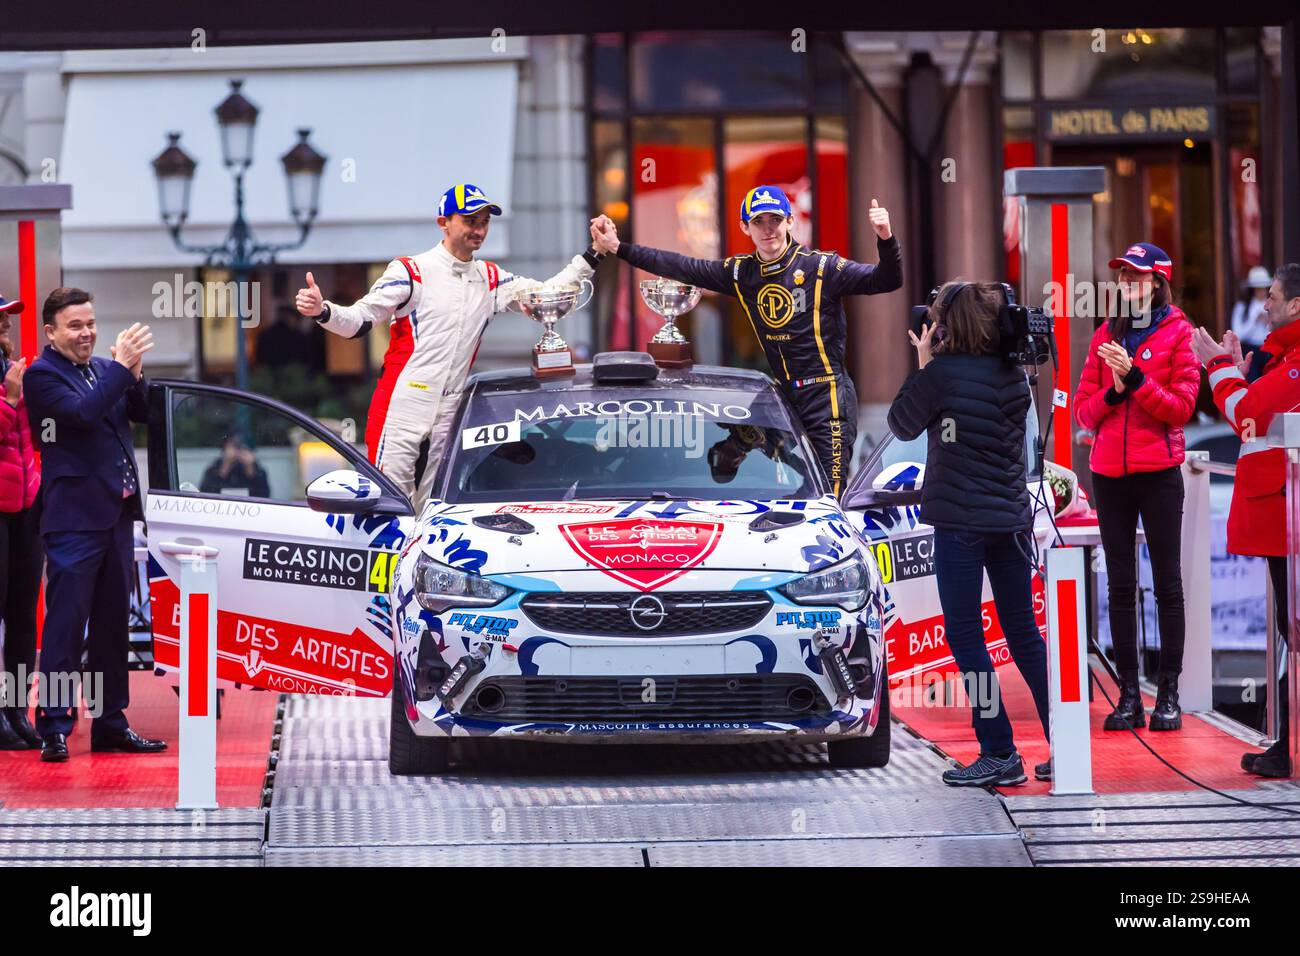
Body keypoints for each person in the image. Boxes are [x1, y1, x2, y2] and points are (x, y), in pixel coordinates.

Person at [296, 183, 606, 508]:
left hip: (452, 409)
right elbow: (359, 320)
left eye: (484, 222)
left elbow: (545, 298)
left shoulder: (490, 277)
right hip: (403, 405)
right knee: (389, 507)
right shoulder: (411, 270)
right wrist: (324, 311)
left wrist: (592, 255)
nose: (479, 229)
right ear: (443, 222)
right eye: (470, 220)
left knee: (435, 510)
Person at [590, 186, 903, 497]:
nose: (768, 230)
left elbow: (887, 279)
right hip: (783, 396)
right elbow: (682, 266)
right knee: (724, 460)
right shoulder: (741, 272)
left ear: (790, 222)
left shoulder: (821, 267)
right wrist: (619, 247)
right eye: (758, 222)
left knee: (826, 498)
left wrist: (885, 238)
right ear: (745, 227)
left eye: (775, 220)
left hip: (827, 397)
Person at [887, 281, 1050, 786]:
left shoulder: (940, 375)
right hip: (1009, 520)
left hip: (960, 525)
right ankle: (1066, 740)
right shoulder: (1013, 374)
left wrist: (923, 362)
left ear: (945, 327)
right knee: (1024, 634)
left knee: (965, 636)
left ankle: (999, 750)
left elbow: (901, 424)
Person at [23, 288, 167, 762]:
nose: (86, 333)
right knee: (66, 625)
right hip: (73, 520)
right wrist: (122, 371)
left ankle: (110, 722)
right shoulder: (43, 376)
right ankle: (56, 726)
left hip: (118, 517)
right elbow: (82, 416)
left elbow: (143, 414)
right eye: (74, 326)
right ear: (52, 332)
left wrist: (136, 375)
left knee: (112, 627)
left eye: (90, 323)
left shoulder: (108, 371)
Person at [1073, 242, 1201, 734]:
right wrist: (1116, 387)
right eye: (1123, 276)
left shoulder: (1179, 333)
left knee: (1168, 585)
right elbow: (1085, 411)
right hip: (1109, 475)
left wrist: (1137, 377)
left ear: (1158, 283)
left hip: (1159, 474)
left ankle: (1168, 693)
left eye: (1137, 276)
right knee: (1119, 587)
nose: (1127, 284)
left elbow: (1181, 407)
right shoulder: (1106, 333)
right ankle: (1129, 695)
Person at [1191, 262, 1300, 777]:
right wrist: (1236, 369)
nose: (1264, 305)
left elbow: (1248, 414)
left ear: (1296, 304)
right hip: (1285, 515)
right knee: (1292, 632)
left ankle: (1287, 750)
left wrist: (1218, 367)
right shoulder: (1286, 358)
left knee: (1295, 632)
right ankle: (1285, 747)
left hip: (1289, 516)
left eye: (1273, 296)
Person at [0, 292, 42, 749]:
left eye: (8, 320)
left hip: (26, 505)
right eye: (0, 320)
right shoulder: (11, 381)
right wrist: (11, 398)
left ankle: (16, 710)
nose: (7, 327)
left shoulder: (13, 370)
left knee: (22, 616)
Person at [200, 436, 270, 498]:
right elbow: (206, 493)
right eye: (232, 446)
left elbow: (264, 496)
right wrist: (225, 466)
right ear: (224, 449)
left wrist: (249, 467)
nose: (238, 451)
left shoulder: (258, 470)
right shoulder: (214, 468)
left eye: (242, 447)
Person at [1231, 265, 1273, 354]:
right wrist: (1255, 321)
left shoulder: (1274, 305)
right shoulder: (1242, 307)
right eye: (1258, 288)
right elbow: (1238, 335)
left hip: (1270, 349)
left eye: (1264, 288)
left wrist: (1269, 322)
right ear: (1252, 289)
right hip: (1250, 350)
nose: (1262, 291)